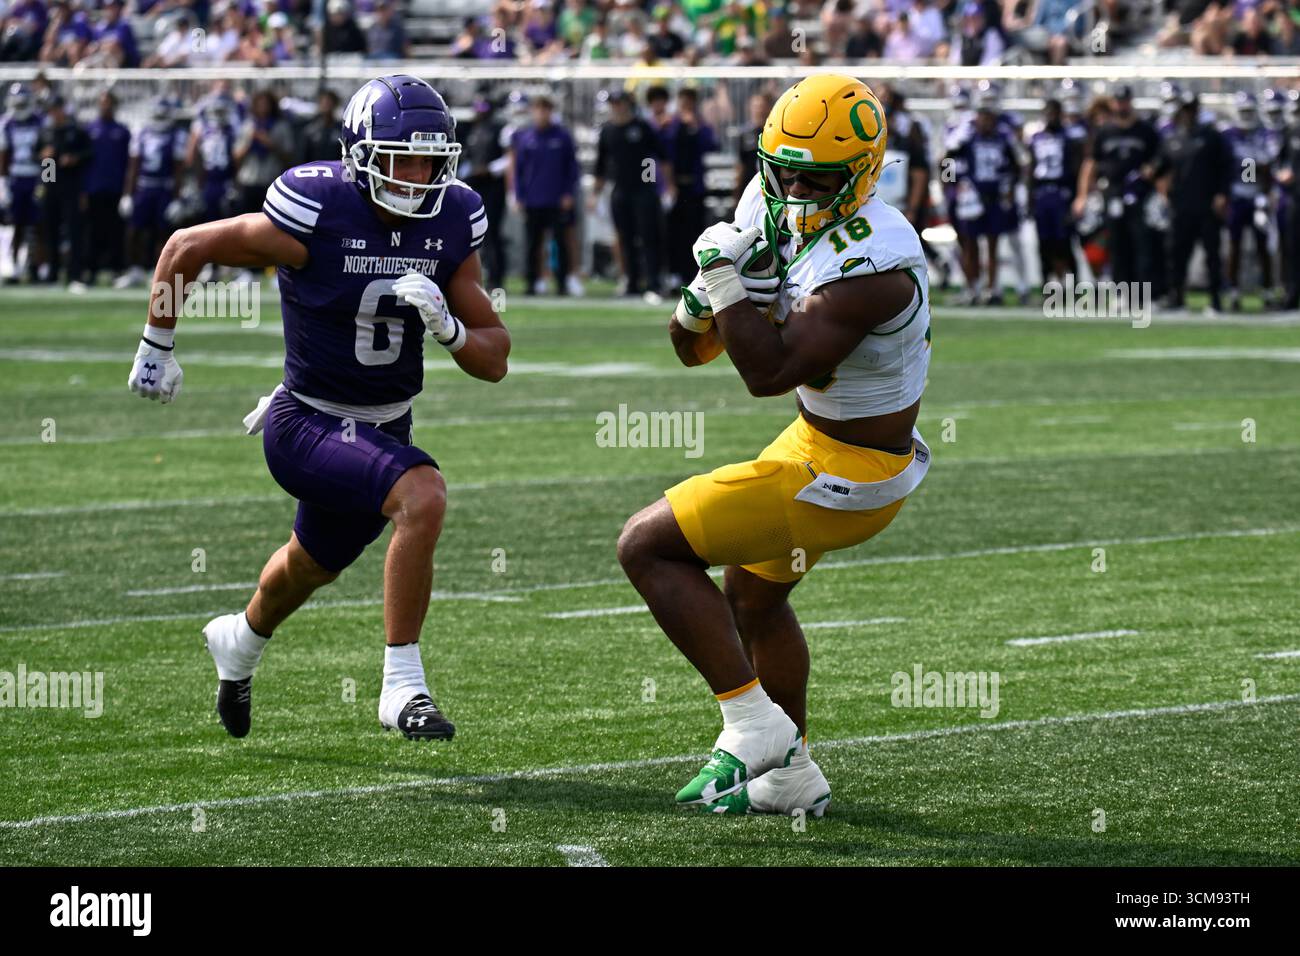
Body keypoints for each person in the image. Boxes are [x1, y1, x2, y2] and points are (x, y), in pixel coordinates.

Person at [126, 75, 511, 741]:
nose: (417, 175)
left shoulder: (450, 221)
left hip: (384, 426)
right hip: (306, 422)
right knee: (423, 496)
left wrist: (449, 328)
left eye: (430, 160)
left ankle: (239, 642)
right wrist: (156, 345)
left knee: (309, 566)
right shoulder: (319, 209)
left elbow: (496, 357)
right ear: (361, 156)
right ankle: (402, 687)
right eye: (400, 159)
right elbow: (187, 246)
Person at [618, 75, 931, 816]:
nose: (791, 187)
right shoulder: (769, 203)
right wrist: (702, 299)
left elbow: (768, 369)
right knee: (753, 598)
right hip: (813, 438)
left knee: (646, 547)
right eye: (781, 168)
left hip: (853, 473)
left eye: (813, 176)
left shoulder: (877, 261)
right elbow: (687, 349)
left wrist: (724, 282)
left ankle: (754, 726)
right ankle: (791, 777)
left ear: (862, 174)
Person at [1152, 89, 1231, 315]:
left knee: (1212, 255)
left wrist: (1223, 194)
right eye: (1185, 110)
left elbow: (1228, 167)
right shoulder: (1173, 138)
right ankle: (1176, 297)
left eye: (1192, 109)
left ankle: (1216, 300)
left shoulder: (1212, 137)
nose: (1188, 114)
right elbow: (1160, 166)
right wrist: (1151, 174)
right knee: (1177, 253)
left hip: (1207, 205)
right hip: (1180, 205)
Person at [1073, 85, 1159, 287]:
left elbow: (1159, 161)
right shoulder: (1105, 132)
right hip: (1113, 193)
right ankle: (1121, 291)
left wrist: (1157, 188)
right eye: (1118, 101)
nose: (1122, 105)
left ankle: (1143, 293)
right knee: (1116, 244)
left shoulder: (1145, 131)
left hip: (1140, 194)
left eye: (1125, 101)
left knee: (1141, 243)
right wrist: (1082, 196)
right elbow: (1091, 163)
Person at [592, 89, 666, 300]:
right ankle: (631, 282)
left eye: (619, 102)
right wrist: (595, 194)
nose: (617, 107)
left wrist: (653, 183)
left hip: (643, 191)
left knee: (648, 237)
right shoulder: (607, 131)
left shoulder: (642, 127)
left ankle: (653, 282)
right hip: (620, 191)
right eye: (613, 103)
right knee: (625, 238)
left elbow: (658, 156)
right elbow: (601, 165)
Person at [508, 92, 579, 295]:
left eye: (545, 109)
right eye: (538, 109)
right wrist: (518, 196)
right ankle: (532, 282)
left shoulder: (562, 136)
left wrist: (568, 193)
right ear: (533, 111)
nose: (541, 114)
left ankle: (562, 283)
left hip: (556, 200)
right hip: (532, 200)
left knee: (560, 242)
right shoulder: (525, 137)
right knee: (532, 244)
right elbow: (519, 170)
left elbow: (572, 168)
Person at [661, 87, 717, 288]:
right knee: (674, 233)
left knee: (694, 231)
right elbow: (663, 149)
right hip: (675, 186)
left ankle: (692, 274)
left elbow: (711, 144)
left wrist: (695, 125)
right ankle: (674, 273)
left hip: (695, 187)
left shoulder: (700, 125)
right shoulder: (672, 124)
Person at [37, 93, 92, 289]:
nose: (55, 113)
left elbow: (89, 154)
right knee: (50, 229)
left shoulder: (75, 130)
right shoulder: (46, 131)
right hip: (51, 182)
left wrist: (74, 158)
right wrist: (43, 157)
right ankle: (52, 273)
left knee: (74, 230)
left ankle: (75, 273)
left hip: (71, 184)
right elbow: (40, 157)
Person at [1028, 98, 1080, 285]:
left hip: (1062, 192)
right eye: (1047, 113)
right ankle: (1047, 285)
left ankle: (1072, 285)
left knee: (1064, 242)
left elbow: (1075, 169)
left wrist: (1075, 196)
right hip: (1042, 193)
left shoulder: (1069, 138)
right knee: (1044, 244)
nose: (1050, 117)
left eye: (1054, 113)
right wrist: (1029, 199)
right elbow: (1031, 170)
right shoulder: (1036, 138)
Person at [84, 89, 131, 286]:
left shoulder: (122, 131)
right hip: (93, 188)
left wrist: (128, 192)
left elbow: (129, 163)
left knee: (115, 232)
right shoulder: (88, 129)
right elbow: (49, 159)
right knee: (94, 231)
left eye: (108, 102)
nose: (105, 106)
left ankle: (116, 270)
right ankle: (91, 271)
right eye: (102, 102)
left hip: (115, 188)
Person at [0, 83, 43, 284]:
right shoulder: (6, 123)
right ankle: (15, 266)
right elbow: (4, 157)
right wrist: (3, 183)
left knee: (37, 225)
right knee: (17, 224)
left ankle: (36, 266)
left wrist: (47, 181)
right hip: (17, 179)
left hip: (36, 178)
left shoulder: (40, 122)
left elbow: (48, 155)